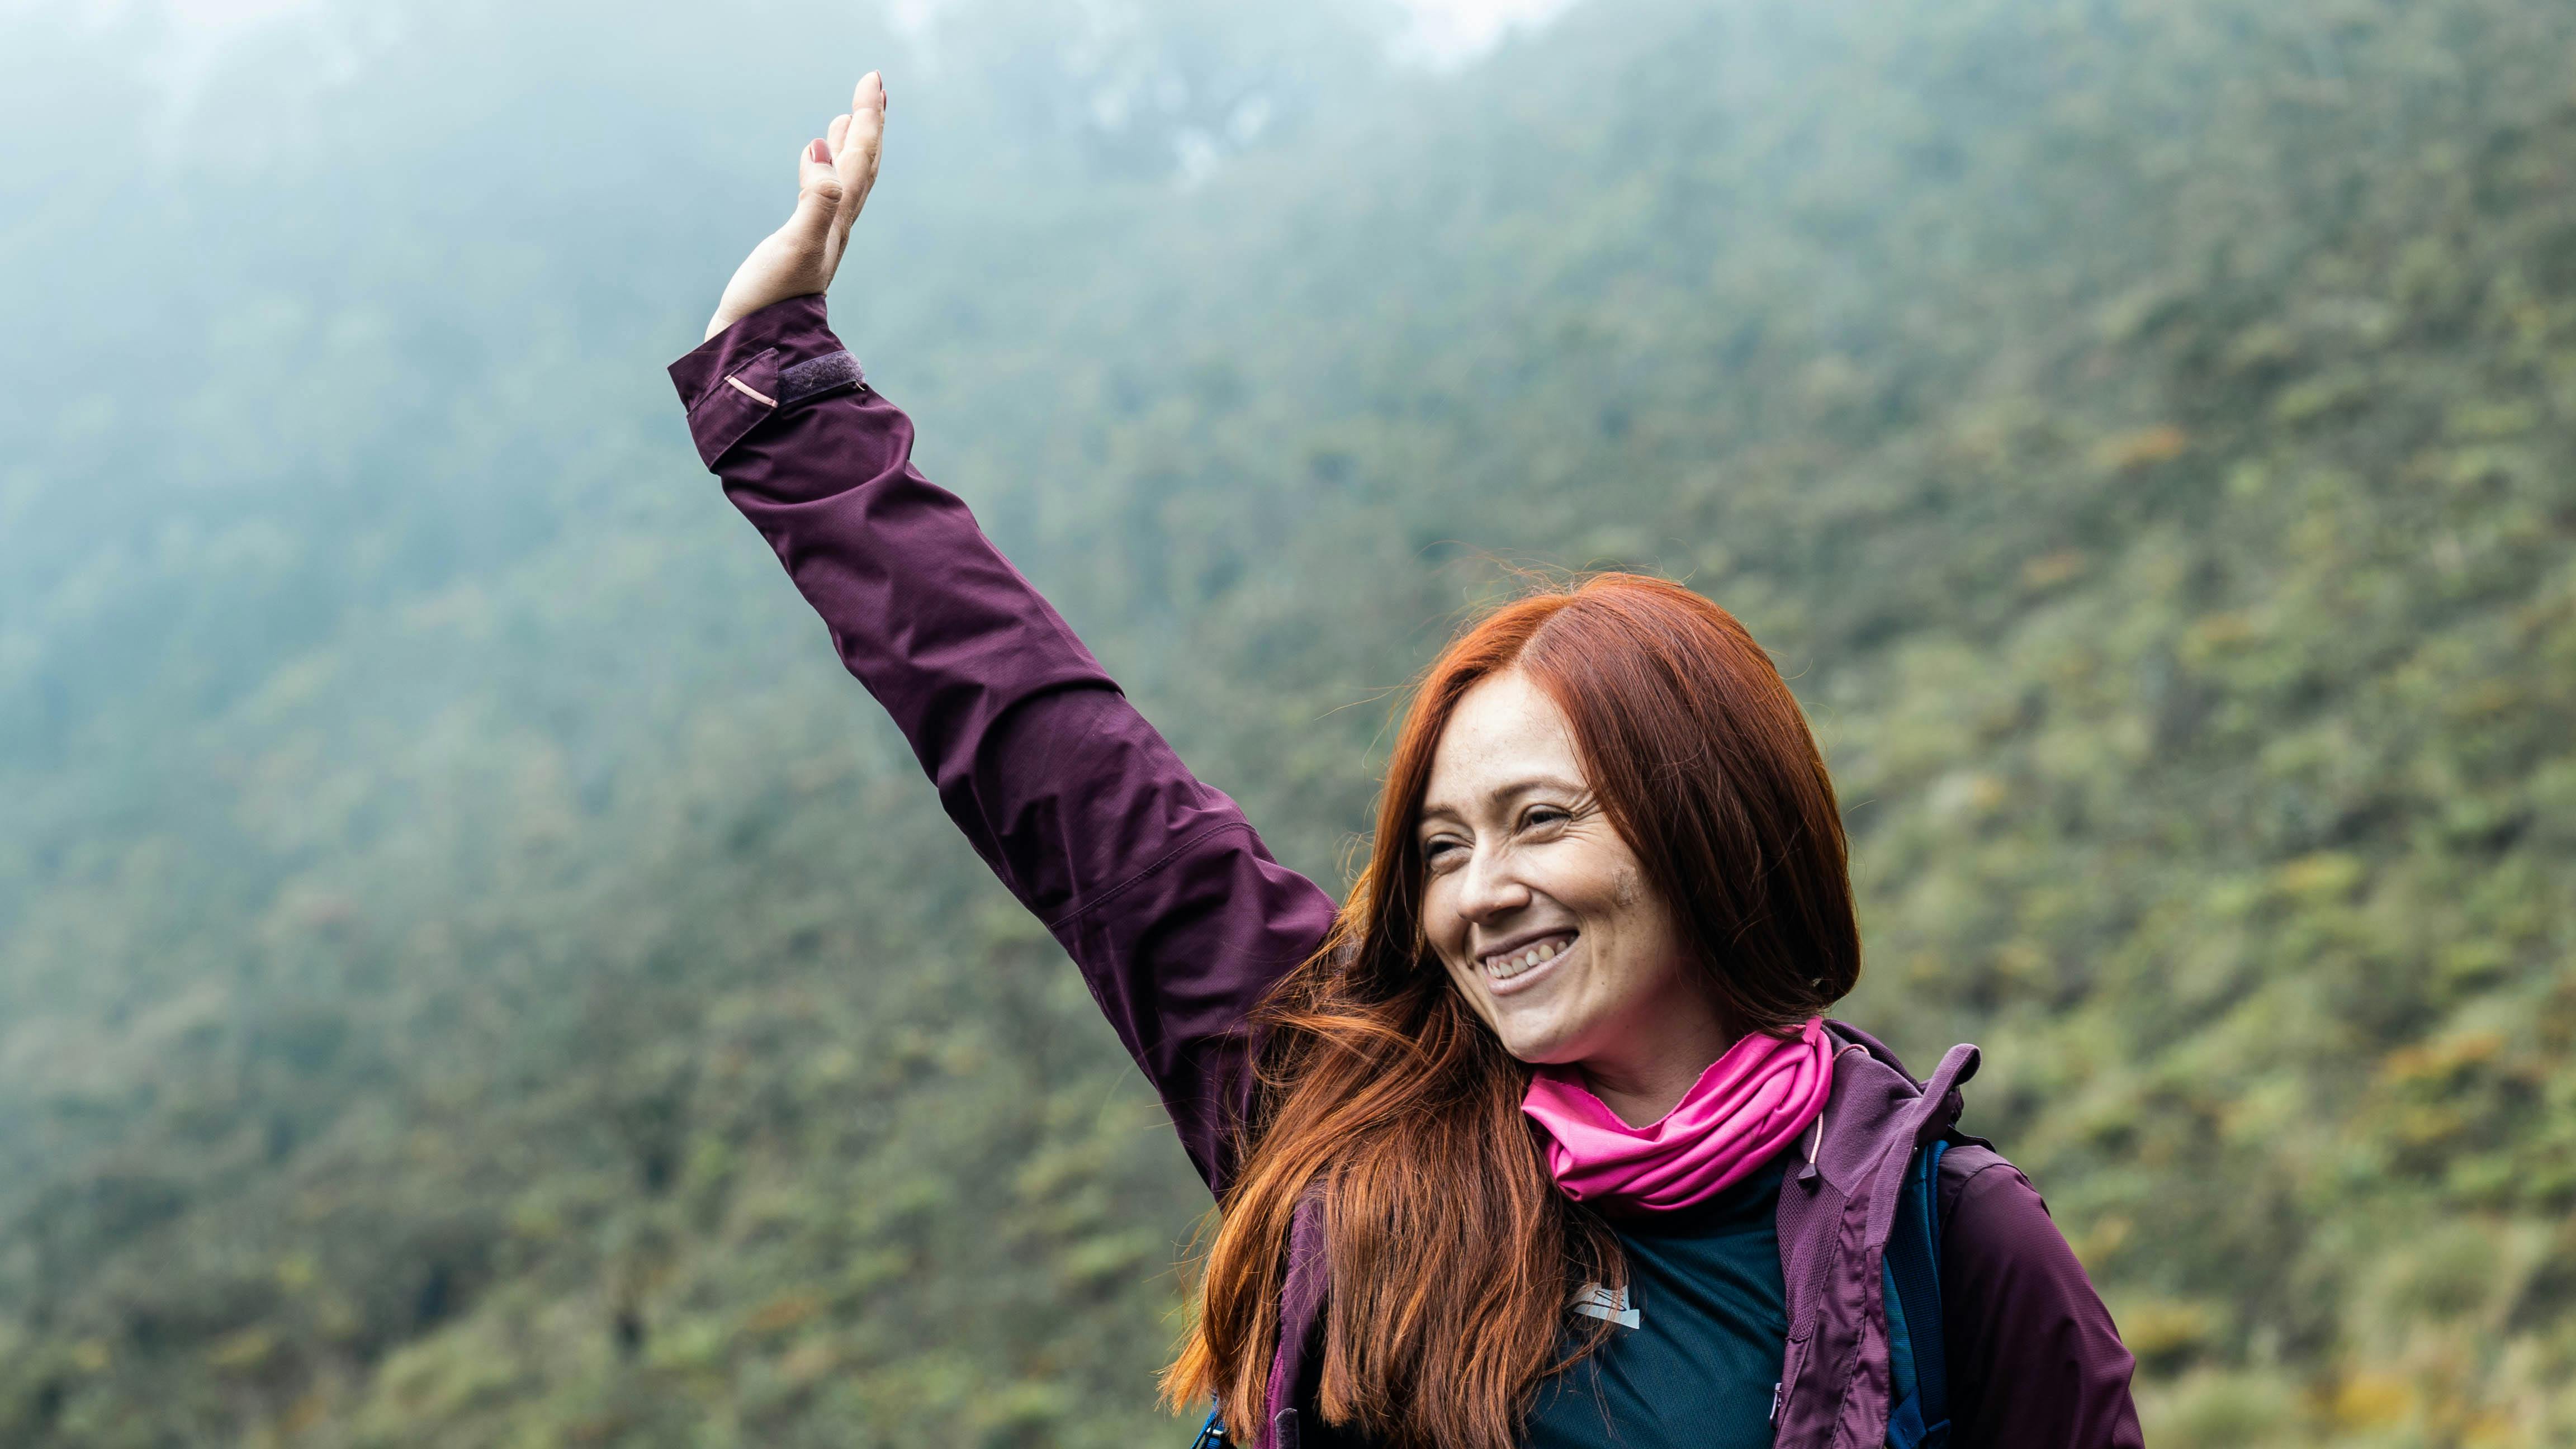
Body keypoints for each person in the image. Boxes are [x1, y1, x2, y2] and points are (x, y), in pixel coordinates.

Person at [672, 72, 2143, 1449]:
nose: (1478, 895)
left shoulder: (1946, 1250)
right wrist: (785, 401)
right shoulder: (1351, 1108)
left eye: (1539, 820)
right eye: (1444, 847)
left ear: (1709, 831)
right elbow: (1061, 769)